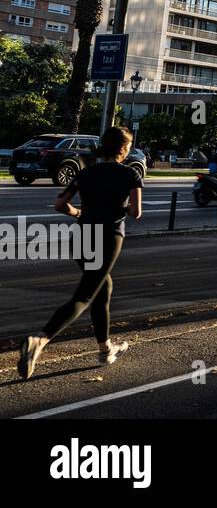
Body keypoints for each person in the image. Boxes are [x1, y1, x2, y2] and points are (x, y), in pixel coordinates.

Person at [18, 126, 143, 380]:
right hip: (109, 237)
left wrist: (80, 213)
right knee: (86, 294)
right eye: (128, 149)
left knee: (102, 288)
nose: (128, 152)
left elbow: (60, 204)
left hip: (83, 235)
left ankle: (104, 348)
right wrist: (118, 205)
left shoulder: (86, 172)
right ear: (122, 149)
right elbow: (136, 213)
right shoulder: (129, 174)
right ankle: (40, 340)